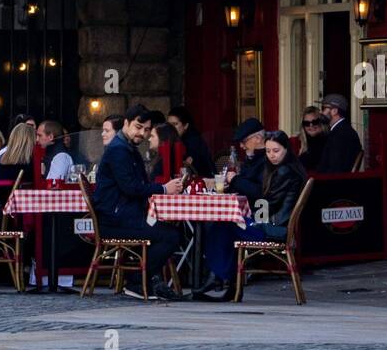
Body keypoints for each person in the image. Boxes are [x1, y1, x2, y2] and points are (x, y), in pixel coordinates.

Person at [196, 130, 309, 299]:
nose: (271, 155)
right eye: (268, 151)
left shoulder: (285, 172)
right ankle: (222, 278)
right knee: (225, 224)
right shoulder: (284, 169)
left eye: (276, 151)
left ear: (286, 149)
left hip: (272, 228)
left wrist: (249, 216)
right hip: (274, 224)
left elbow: (268, 203)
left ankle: (219, 276)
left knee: (223, 224)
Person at [90, 104, 183, 301]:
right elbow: (131, 188)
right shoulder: (119, 150)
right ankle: (136, 282)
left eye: (147, 129)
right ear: (126, 123)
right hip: (116, 221)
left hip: (124, 216)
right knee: (171, 236)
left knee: (168, 232)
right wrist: (165, 188)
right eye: (138, 127)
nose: (142, 133)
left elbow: (140, 184)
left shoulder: (127, 148)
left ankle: (147, 280)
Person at [227, 118, 268, 203]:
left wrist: (235, 180)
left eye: (244, 141)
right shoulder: (252, 157)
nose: (241, 146)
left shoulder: (269, 159)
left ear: (258, 138)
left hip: (262, 213)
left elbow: (261, 193)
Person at [320, 94, 363, 173]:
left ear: (335, 111)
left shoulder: (339, 135)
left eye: (324, 108)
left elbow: (334, 169)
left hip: (333, 183)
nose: (321, 112)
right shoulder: (344, 130)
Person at [167, 106, 215, 178]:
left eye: (175, 124)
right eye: (169, 125)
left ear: (185, 125)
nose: (171, 128)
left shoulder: (194, 142)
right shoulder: (171, 140)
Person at [0, 121, 36, 185]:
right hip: (24, 194)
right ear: (30, 140)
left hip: (3, 194)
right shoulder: (30, 160)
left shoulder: (2, 157)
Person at [298, 106, 330, 170]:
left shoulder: (328, 140)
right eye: (306, 123)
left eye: (315, 122)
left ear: (321, 122)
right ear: (303, 126)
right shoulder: (300, 142)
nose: (311, 125)